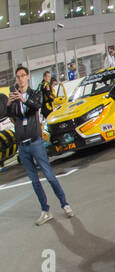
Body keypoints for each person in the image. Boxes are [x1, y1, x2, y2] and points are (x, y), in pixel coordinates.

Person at [8, 66, 73, 224]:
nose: (21, 79)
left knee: (49, 176)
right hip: (22, 147)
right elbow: (10, 116)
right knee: (34, 181)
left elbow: (37, 106)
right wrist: (9, 105)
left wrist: (23, 99)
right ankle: (45, 210)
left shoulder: (35, 93)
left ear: (28, 77)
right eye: (18, 77)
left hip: (36, 143)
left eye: (23, 76)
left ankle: (65, 204)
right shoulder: (14, 97)